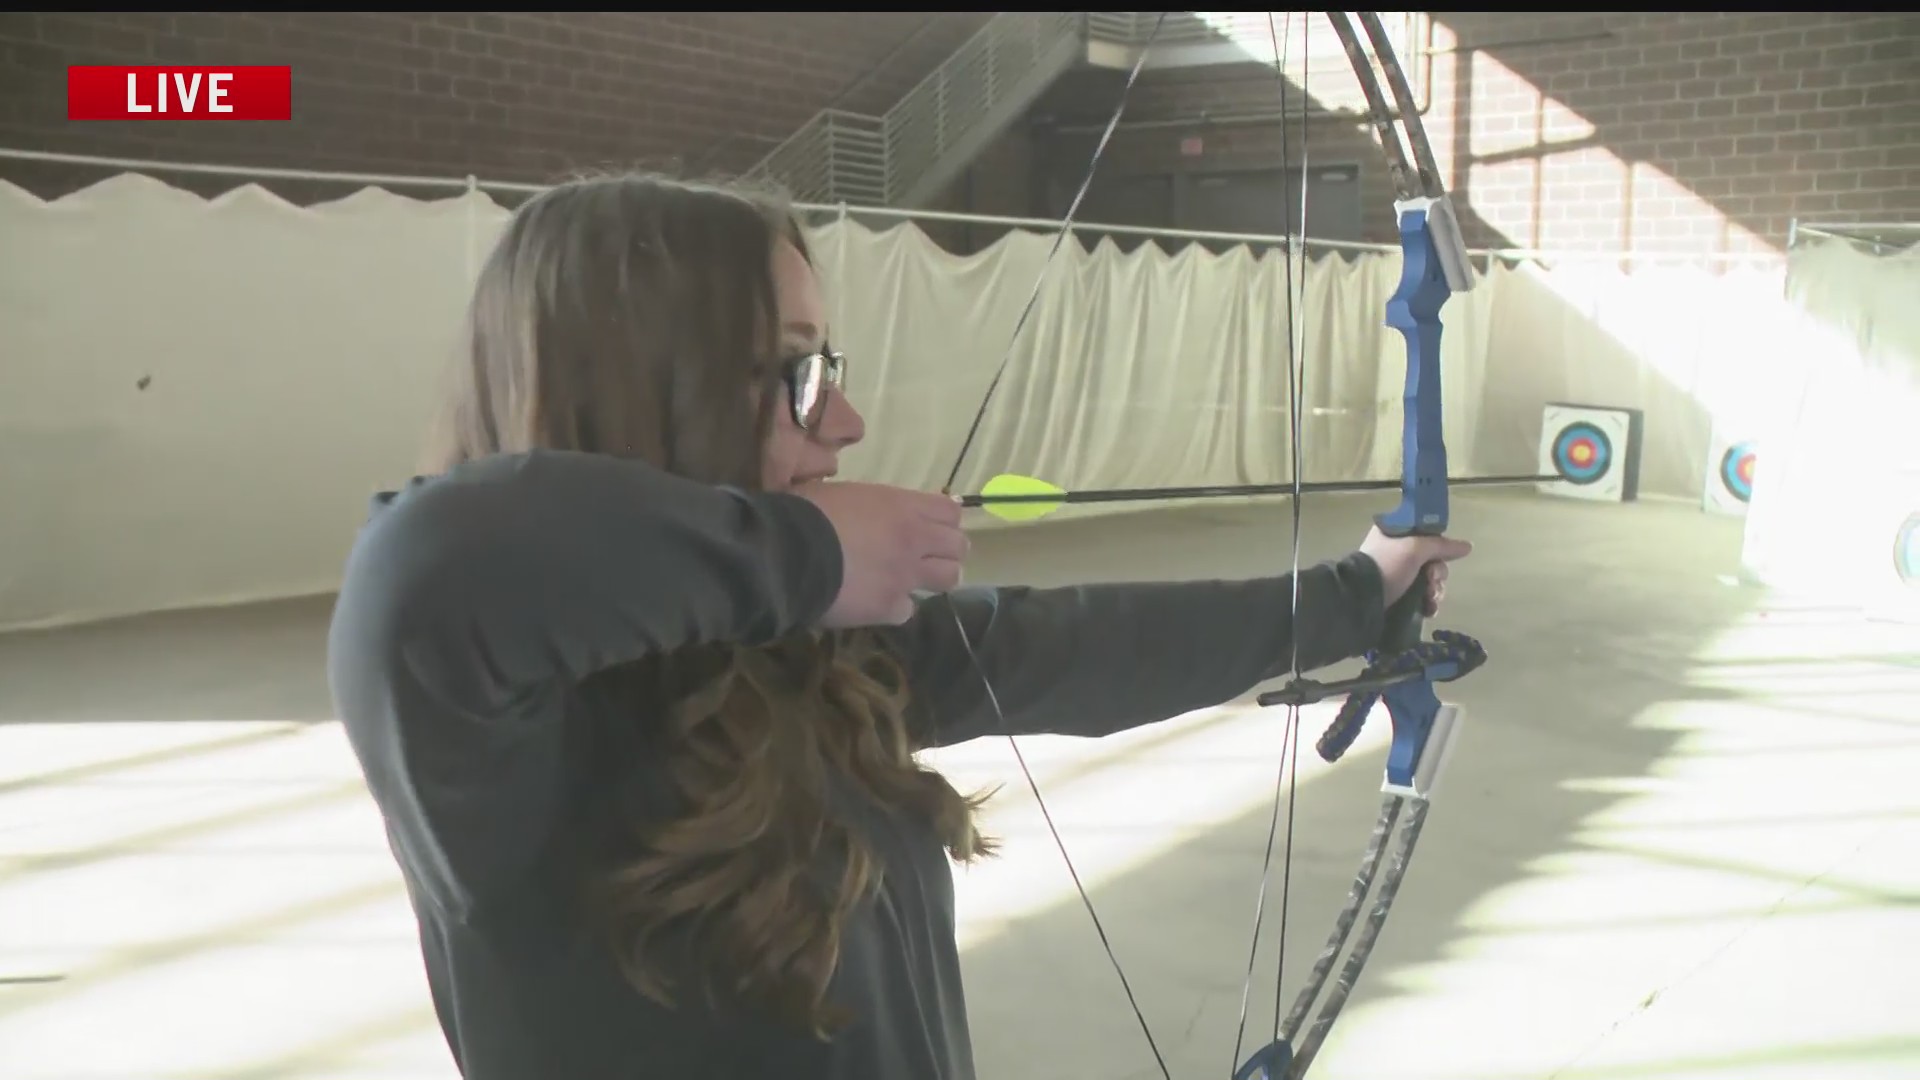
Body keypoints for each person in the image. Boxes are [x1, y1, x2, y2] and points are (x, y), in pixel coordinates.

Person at [325, 171, 1473, 1080]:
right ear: (644, 389)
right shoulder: (488, 735)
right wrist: (812, 552)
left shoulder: (796, 660)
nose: (848, 419)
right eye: (796, 372)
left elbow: (1072, 644)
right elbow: (430, 569)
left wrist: (1350, 593)